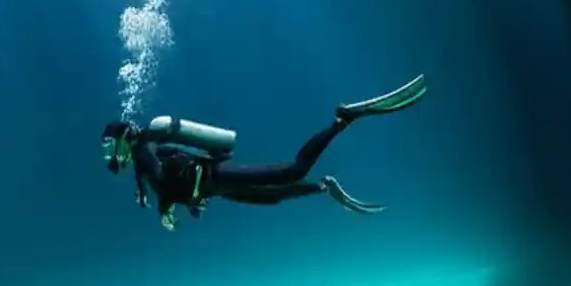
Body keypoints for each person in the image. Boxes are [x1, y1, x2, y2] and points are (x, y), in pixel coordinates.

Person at [100, 75, 426, 230]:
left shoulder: (143, 149)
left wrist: (165, 210)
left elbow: (165, 184)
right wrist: (158, 198)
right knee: (270, 197)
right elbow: (157, 177)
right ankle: (324, 187)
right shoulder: (143, 152)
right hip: (217, 186)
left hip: (216, 177)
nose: (110, 156)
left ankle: (343, 120)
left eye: (109, 147)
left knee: (291, 172)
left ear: (121, 140)